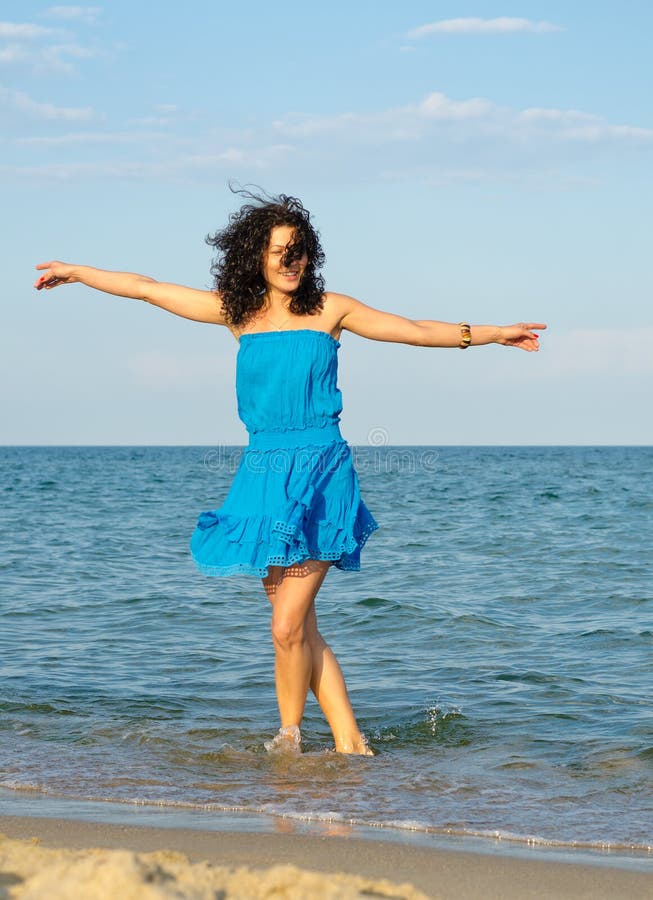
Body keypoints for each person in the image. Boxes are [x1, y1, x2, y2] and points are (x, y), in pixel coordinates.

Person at [34, 190, 546, 757]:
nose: (290, 260)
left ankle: (289, 737)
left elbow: (415, 329)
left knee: (285, 625)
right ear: (257, 256)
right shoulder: (238, 313)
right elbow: (148, 288)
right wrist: (77, 272)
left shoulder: (332, 309)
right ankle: (351, 743)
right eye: (279, 251)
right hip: (261, 474)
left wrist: (494, 333)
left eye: (299, 251)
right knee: (297, 625)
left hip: (321, 471)